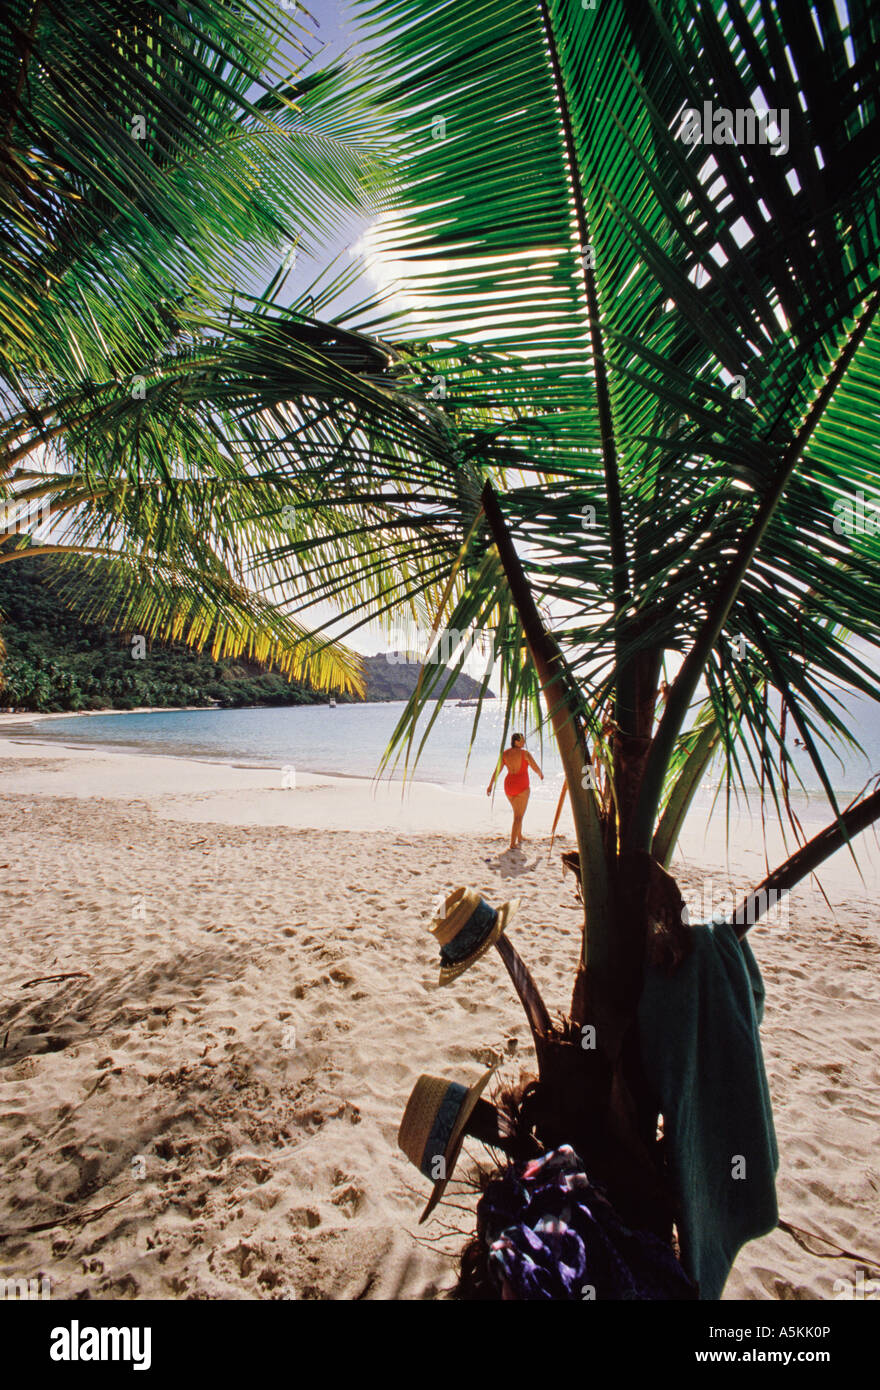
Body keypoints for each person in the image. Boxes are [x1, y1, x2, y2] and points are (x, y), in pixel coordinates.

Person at [487, 733, 543, 850]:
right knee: (518, 816)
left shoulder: (505, 754)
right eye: (522, 740)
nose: (524, 743)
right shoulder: (525, 753)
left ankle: (520, 836)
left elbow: (497, 770)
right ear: (516, 742)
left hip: (508, 787)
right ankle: (512, 843)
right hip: (521, 787)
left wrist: (490, 785)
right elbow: (534, 767)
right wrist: (540, 774)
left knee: (517, 812)